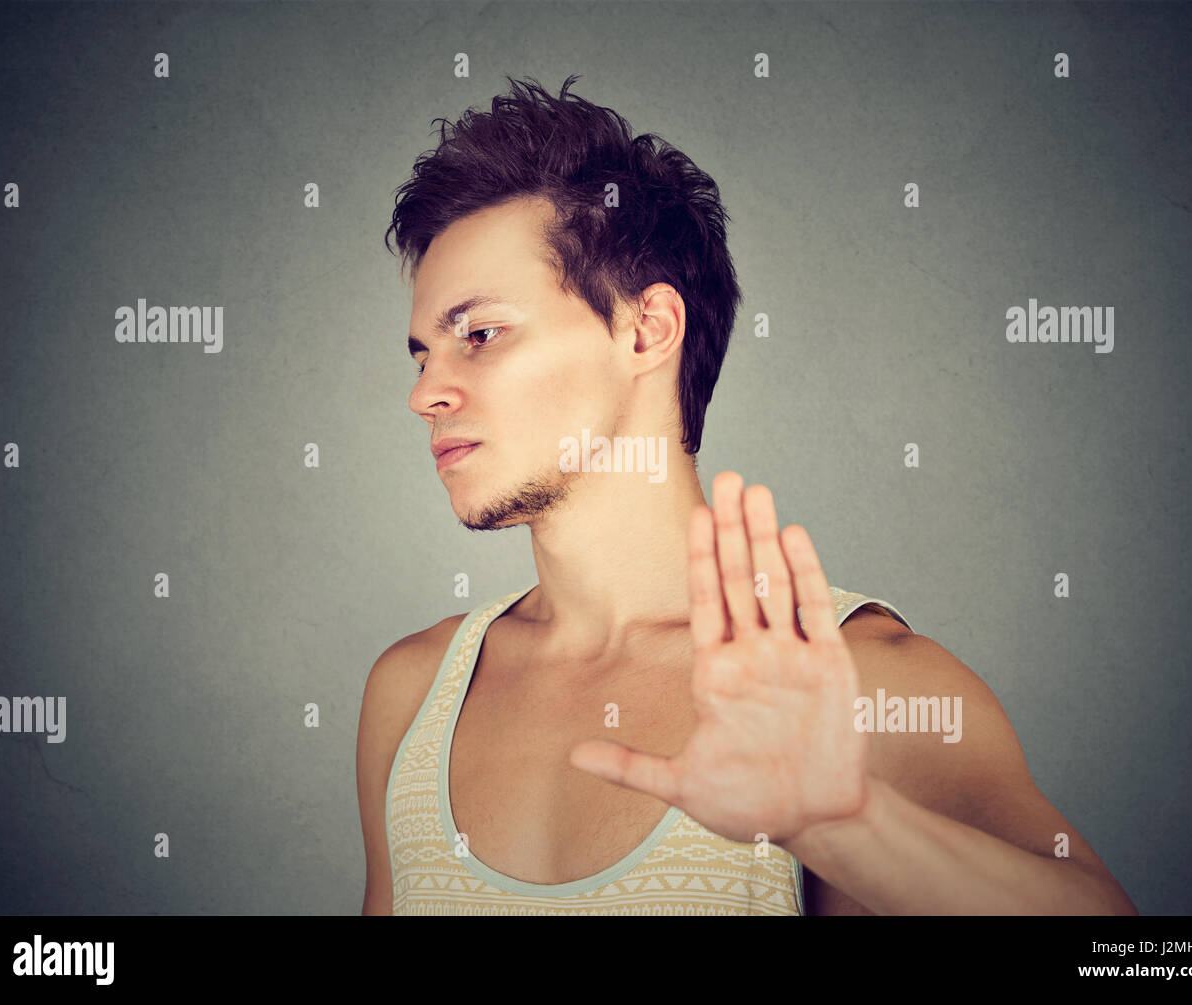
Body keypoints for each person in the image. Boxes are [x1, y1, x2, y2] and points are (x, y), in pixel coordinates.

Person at [356, 75, 1136, 915]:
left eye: (480, 334)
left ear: (646, 329)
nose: (426, 392)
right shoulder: (412, 694)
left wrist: (847, 827)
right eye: (421, 353)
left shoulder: (853, 682)